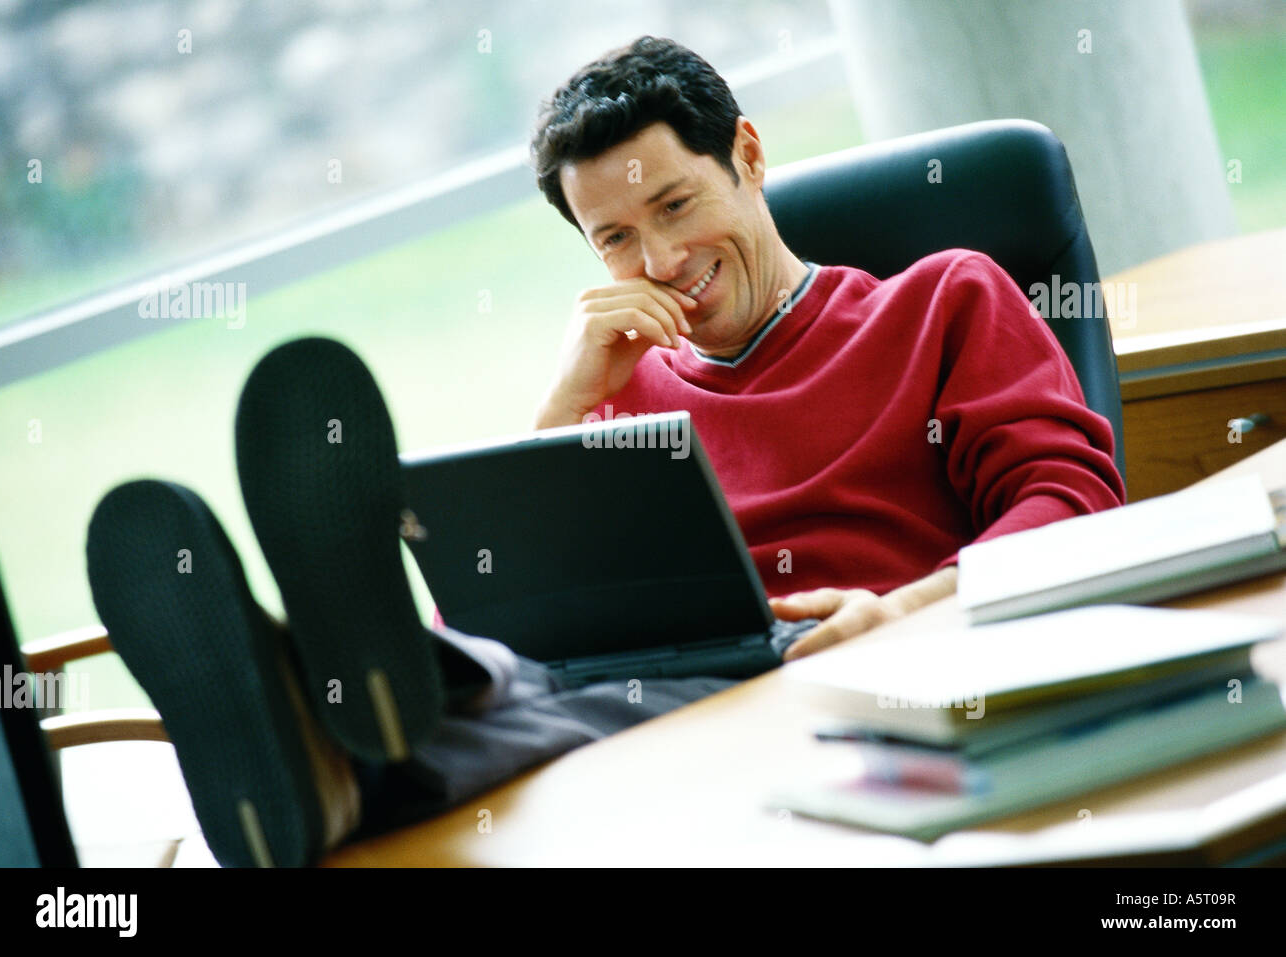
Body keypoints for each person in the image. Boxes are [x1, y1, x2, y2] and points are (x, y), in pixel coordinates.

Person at [85, 36, 1123, 867]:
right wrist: (566, 400)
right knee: (500, 680)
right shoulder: (617, 379)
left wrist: (899, 613)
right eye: (615, 238)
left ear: (748, 157)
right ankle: (323, 733)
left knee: (519, 711)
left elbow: (1072, 505)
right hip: (629, 706)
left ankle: (314, 730)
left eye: (675, 205)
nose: (661, 262)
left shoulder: (942, 296)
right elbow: (505, 622)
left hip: (828, 680)